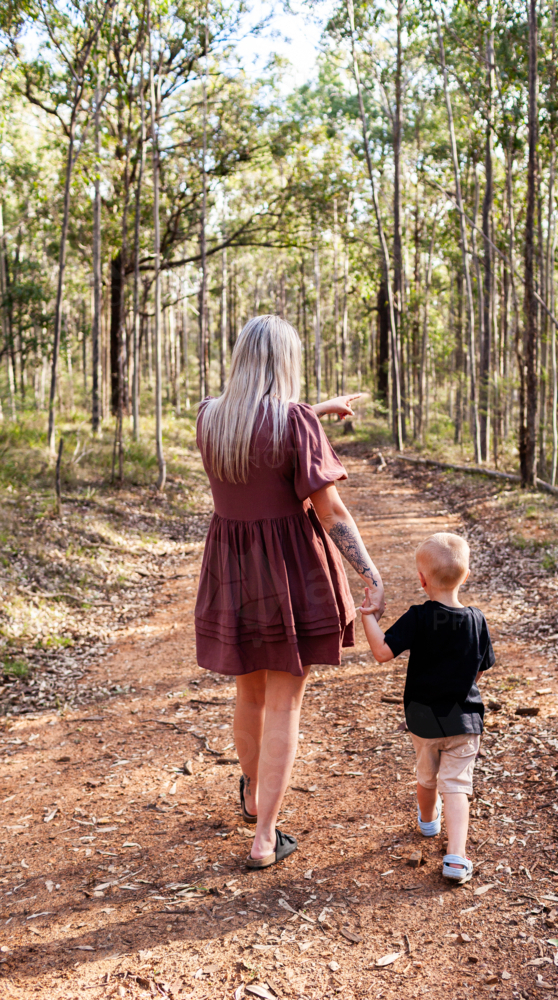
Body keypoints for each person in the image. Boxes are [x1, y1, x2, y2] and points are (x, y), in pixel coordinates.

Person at [195, 315, 384, 869]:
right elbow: (331, 511)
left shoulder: (209, 418)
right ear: (285, 362)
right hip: (290, 573)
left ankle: (253, 796)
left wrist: (317, 411)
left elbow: (261, 428)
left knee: (248, 695)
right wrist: (370, 572)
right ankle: (264, 837)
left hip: (233, 574)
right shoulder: (294, 423)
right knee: (284, 702)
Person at [360, 531, 494, 882]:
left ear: (421, 580)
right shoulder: (477, 620)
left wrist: (368, 618)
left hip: (422, 718)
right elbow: (480, 667)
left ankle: (428, 822)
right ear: (465, 576)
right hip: (463, 718)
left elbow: (381, 653)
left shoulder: (418, 617)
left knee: (427, 776)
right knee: (457, 786)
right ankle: (455, 857)